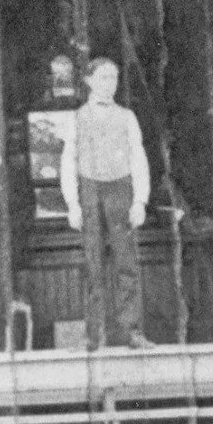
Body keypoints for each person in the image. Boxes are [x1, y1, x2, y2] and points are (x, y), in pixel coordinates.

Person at [59, 57, 156, 350]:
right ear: (89, 81)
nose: (110, 83)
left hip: (120, 190)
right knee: (93, 263)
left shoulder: (127, 117)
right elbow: (68, 161)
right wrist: (72, 203)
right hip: (90, 191)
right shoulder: (76, 118)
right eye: (103, 77)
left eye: (114, 77)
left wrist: (140, 200)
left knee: (126, 262)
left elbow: (138, 158)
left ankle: (132, 331)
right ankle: (93, 335)